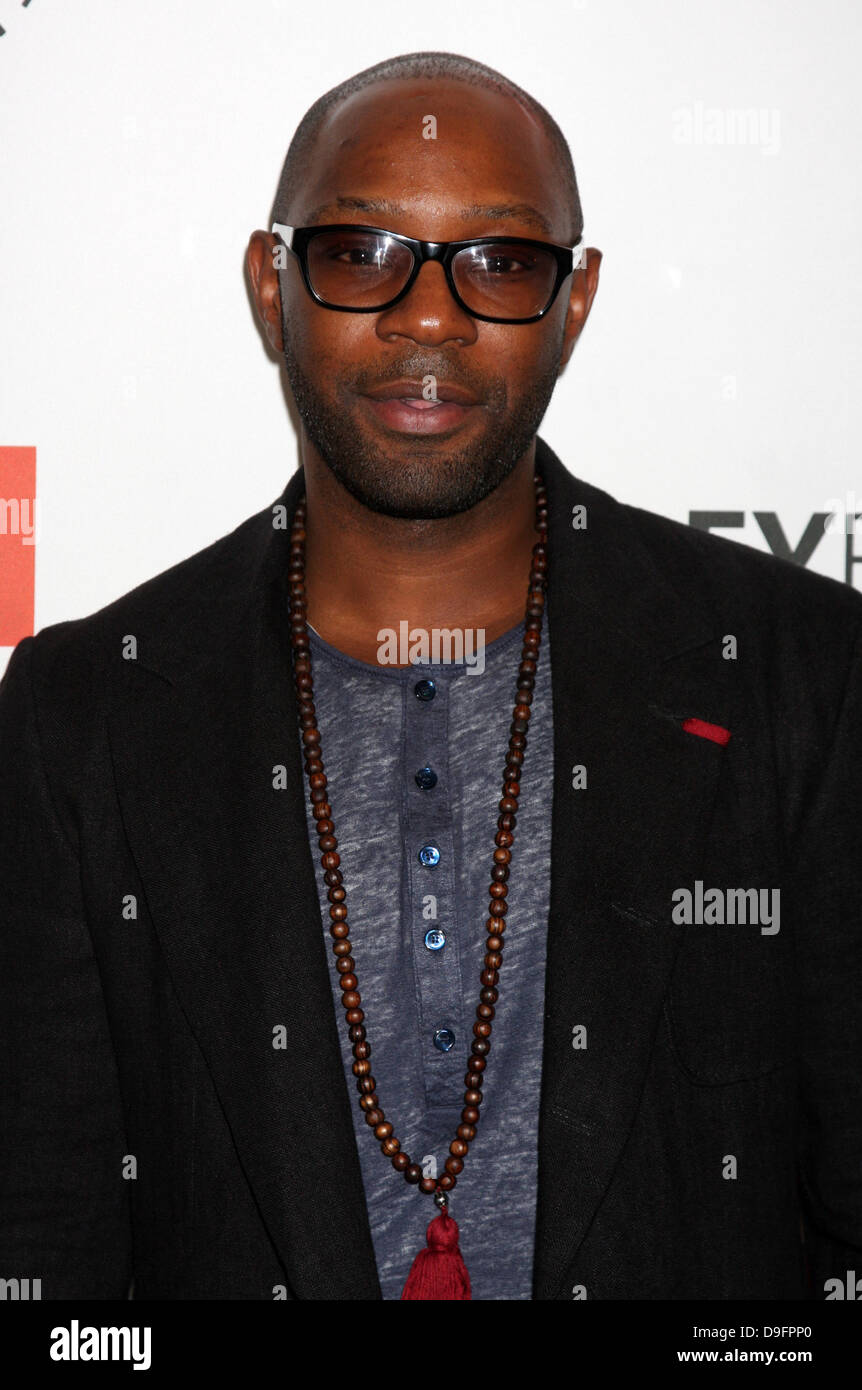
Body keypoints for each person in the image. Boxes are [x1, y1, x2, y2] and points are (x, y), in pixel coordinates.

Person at [1, 49, 860, 1302]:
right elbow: (45, 1250)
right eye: (361, 252)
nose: (428, 317)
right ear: (270, 283)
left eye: (500, 264)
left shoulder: (802, 678)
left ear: (574, 303)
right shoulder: (84, 716)